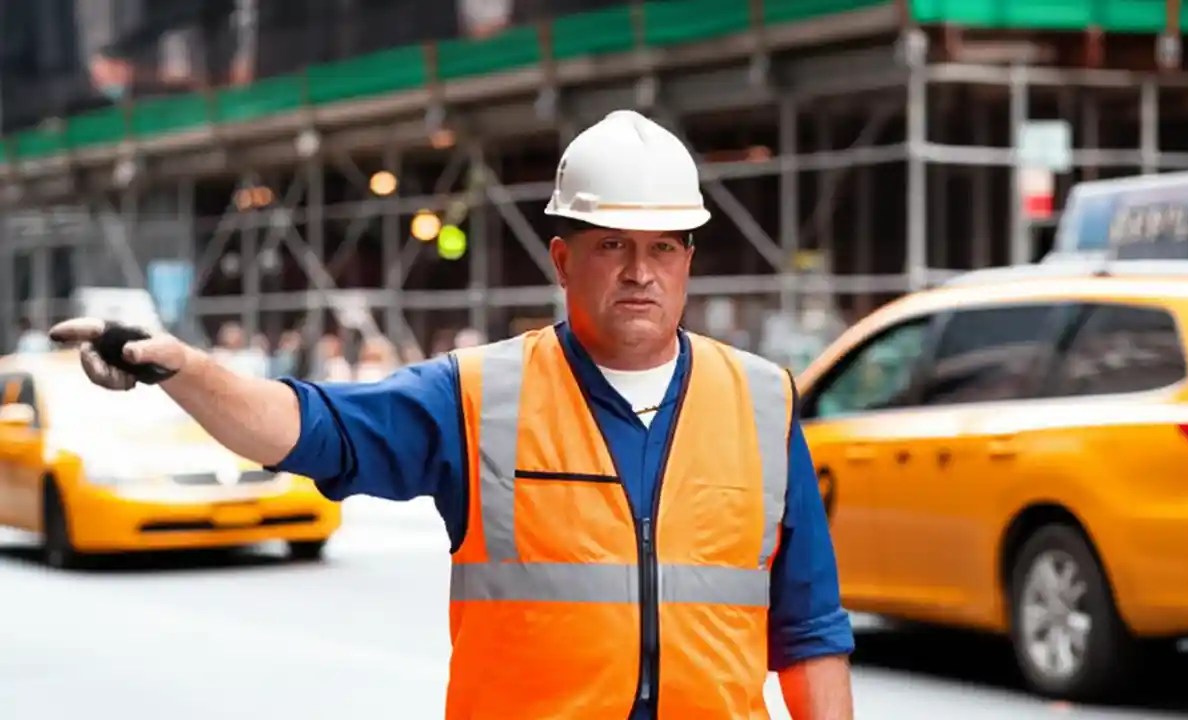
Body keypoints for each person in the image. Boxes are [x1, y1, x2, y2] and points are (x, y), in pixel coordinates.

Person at [49, 109, 856, 720]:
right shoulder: (477, 396)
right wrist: (186, 371)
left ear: (688, 259)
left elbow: (809, 630)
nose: (641, 272)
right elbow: (309, 426)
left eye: (663, 247)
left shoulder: (761, 400)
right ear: (563, 260)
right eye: (612, 246)